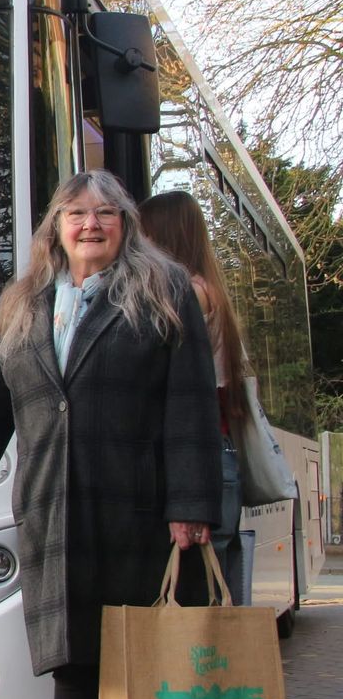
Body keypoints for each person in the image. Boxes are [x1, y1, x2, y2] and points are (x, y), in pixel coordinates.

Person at [0, 171, 222, 699]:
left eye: (105, 213)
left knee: (150, 665)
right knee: (72, 667)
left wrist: (191, 504)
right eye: (75, 213)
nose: (90, 224)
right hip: (51, 511)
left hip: (139, 514)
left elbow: (191, 407)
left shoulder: (162, 290)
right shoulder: (24, 304)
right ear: (55, 227)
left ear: (125, 223)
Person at [140, 190, 248, 606]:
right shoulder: (210, 289)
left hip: (201, 459)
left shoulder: (187, 293)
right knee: (210, 588)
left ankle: (200, 673)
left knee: (195, 595)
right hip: (219, 453)